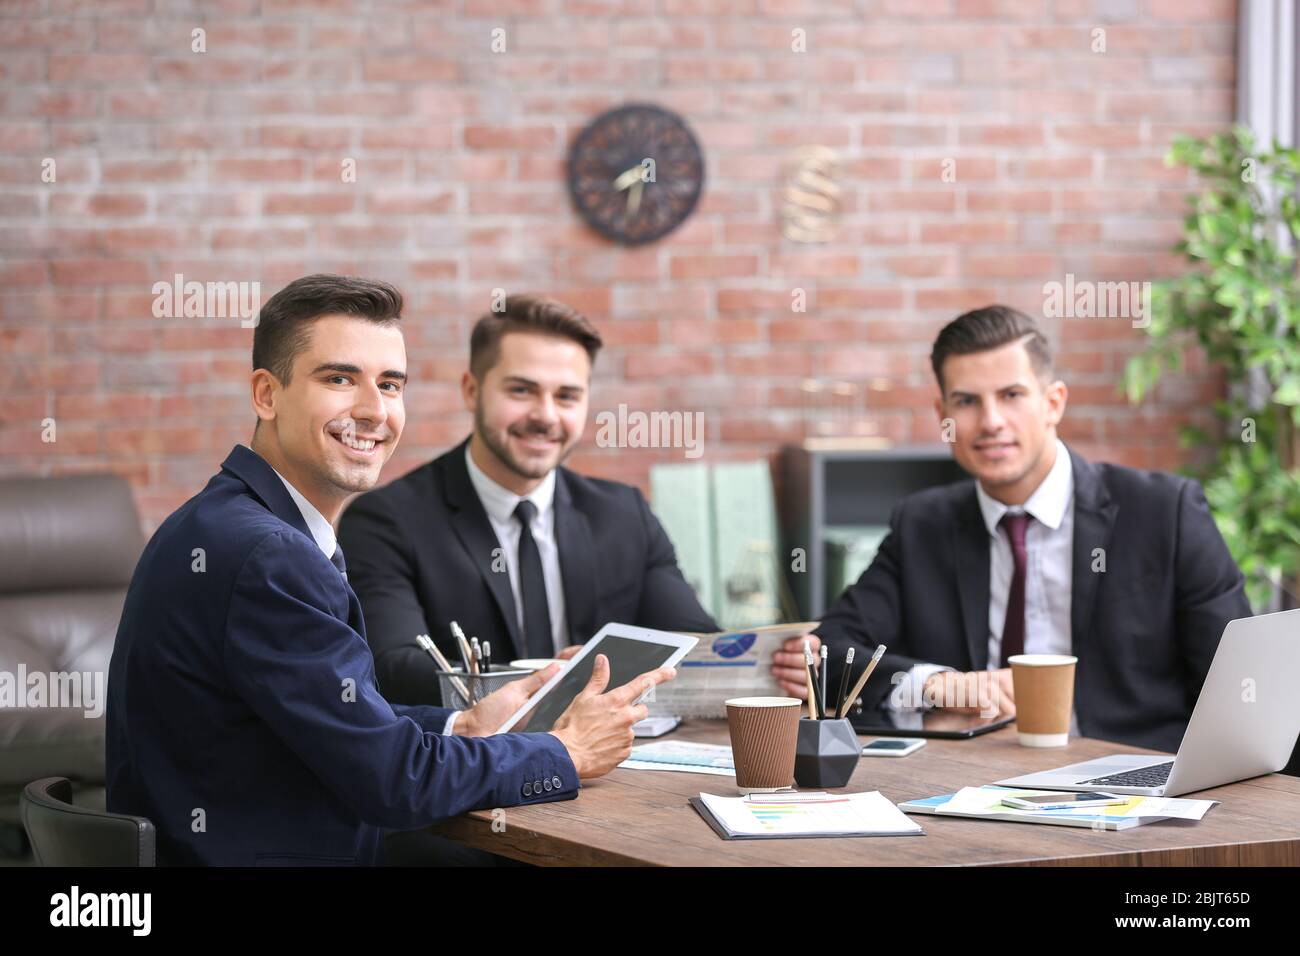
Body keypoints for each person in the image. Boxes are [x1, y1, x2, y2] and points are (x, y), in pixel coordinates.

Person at [105, 275, 673, 865]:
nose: (374, 411)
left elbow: (334, 717)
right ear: (266, 395)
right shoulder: (267, 556)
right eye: (340, 378)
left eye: (391, 384)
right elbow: (395, 783)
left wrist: (463, 725)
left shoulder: (233, 521)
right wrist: (566, 751)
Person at [338, 294, 817, 706]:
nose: (545, 416)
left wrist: (782, 661)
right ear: (472, 390)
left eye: (567, 396)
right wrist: (555, 678)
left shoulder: (623, 513)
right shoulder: (387, 520)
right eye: (522, 390)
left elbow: (692, 645)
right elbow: (393, 668)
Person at [815, 305, 1251, 753]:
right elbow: (831, 653)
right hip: (971, 783)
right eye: (967, 401)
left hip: (1132, 778)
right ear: (942, 413)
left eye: (1011, 395)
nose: (990, 422)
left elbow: (1243, 683)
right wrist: (940, 683)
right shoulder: (922, 524)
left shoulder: (1164, 513)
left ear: (1053, 402)